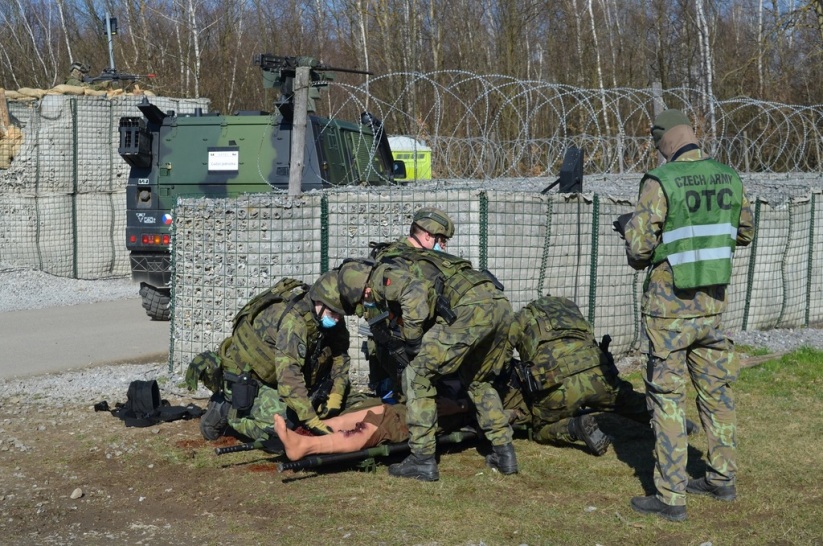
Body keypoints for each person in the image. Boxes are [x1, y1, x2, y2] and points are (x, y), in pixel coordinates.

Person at [620, 109, 754, 522]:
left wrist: (629, 226)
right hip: (712, 307)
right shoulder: (728, 176)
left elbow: (639, 251)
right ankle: (721, 477)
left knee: (667, 399)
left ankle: (671, 497)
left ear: (663, 142)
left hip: (669, 313)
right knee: (717, 393)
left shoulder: (660, 181)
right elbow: (744, 232)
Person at [367, 208, 518, 481]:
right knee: (479, 381)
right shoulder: (412, 259)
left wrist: (412, 342)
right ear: (424, 235)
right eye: (441, 238)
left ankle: (422, 459)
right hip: (500, 306)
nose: (444, 245)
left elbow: (414, 300)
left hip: (470, 311)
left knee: (418, 375)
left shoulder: (402, 260)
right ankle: (504, 451)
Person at [185, 276, 352, 443]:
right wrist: (311, 419)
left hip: (277, 376)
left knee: (332, 401)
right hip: (249, 379)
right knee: (284, 427)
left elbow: (340, 354)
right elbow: (289, 376)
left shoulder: (322, 316)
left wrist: (337, 392)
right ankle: (229, 411)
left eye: (339, 314)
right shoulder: (294, 322)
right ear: (319, 302)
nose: (337, 319)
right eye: (333, 313)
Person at [496, 295, 652, 456]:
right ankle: (670, 421)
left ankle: (574, 427)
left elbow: (503, 357)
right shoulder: (570, 307)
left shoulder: (520, 318)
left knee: (540, 429)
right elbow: (590, 337)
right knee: (634, 404)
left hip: (557, 386)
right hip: (598, 375)